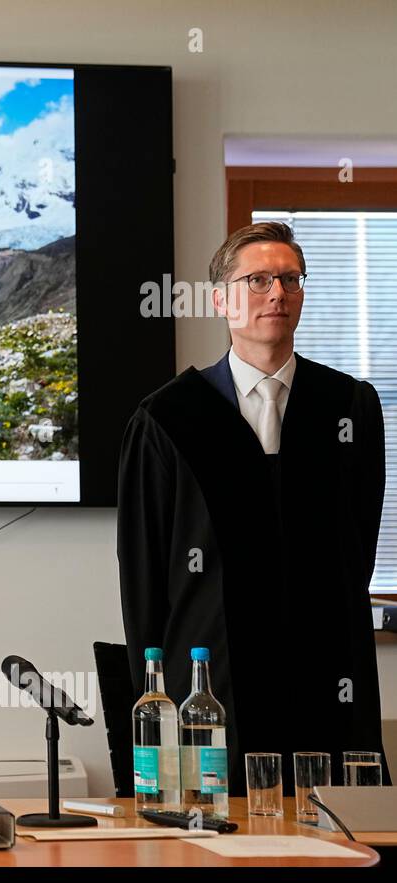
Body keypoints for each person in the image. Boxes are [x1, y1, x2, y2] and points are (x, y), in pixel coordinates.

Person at [117, 221, 389, 795]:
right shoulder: (168, 419)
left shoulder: (349, 407)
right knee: (214, 843)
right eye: (258, 279)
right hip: (212, 683)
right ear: (221, 299)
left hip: (327, 679)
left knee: (339, 845)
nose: (277, 293)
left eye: (291, 279)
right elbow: (143, 579)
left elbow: (355, 550)